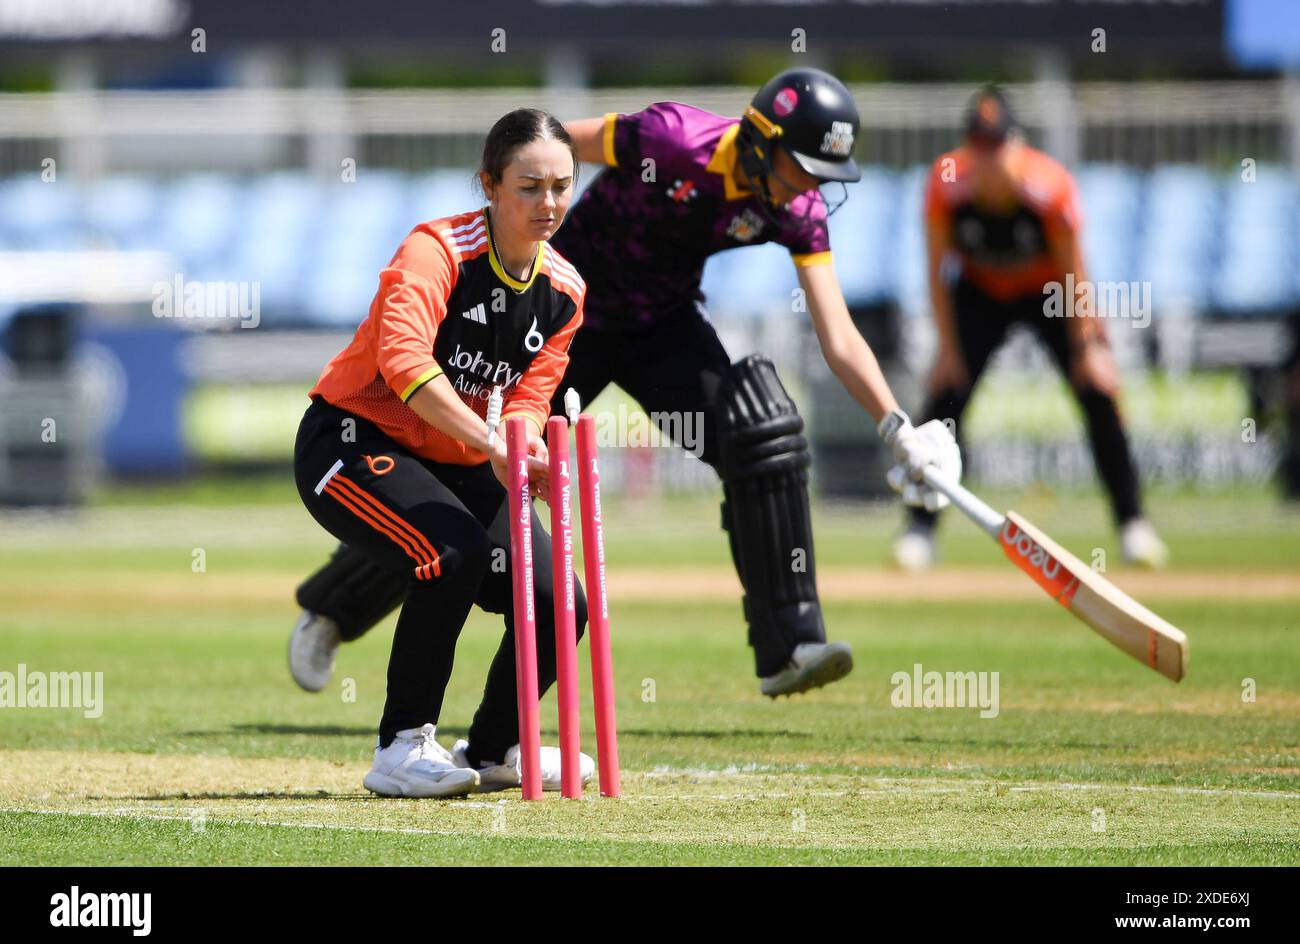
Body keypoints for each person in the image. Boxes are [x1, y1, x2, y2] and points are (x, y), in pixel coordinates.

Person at [291, 68, 961, 707]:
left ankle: (790, 644)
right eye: (801, 169)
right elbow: (554, 148)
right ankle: (334, 609)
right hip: (561, 315)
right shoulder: (671, 138)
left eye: (820, 176)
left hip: (661, 326)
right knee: (477, 473)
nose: (807, 189)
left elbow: (838, 334)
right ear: (761, 142)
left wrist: (897, 426)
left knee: (759, 433)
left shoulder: (798, 207)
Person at [293, 108, 597, 797]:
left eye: (561, 186)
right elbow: (404, 363)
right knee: (450, 555)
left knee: (559, 600)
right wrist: (492, 442)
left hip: (460, 464)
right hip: (350, 444)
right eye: (528, 187)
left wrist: (522, 449)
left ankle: (494, 748)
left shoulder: (565, 292)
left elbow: (529, 398)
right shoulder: (436, 249)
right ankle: (401, 748)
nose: (548, 204)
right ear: (489, 184)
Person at [893, 86, 1168, 571]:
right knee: (945, 400)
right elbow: (936, 273)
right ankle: (919, 531)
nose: (989, 156)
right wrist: (947, 350)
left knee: (1097, 393)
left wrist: (1088, 346)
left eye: (997, 144)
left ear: (1016, 144)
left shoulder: (1050, 188)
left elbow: (1074, 272)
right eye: (979, 145)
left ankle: (1133, 525)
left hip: (1049, 292)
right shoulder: (945, 184)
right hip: (980, 291)